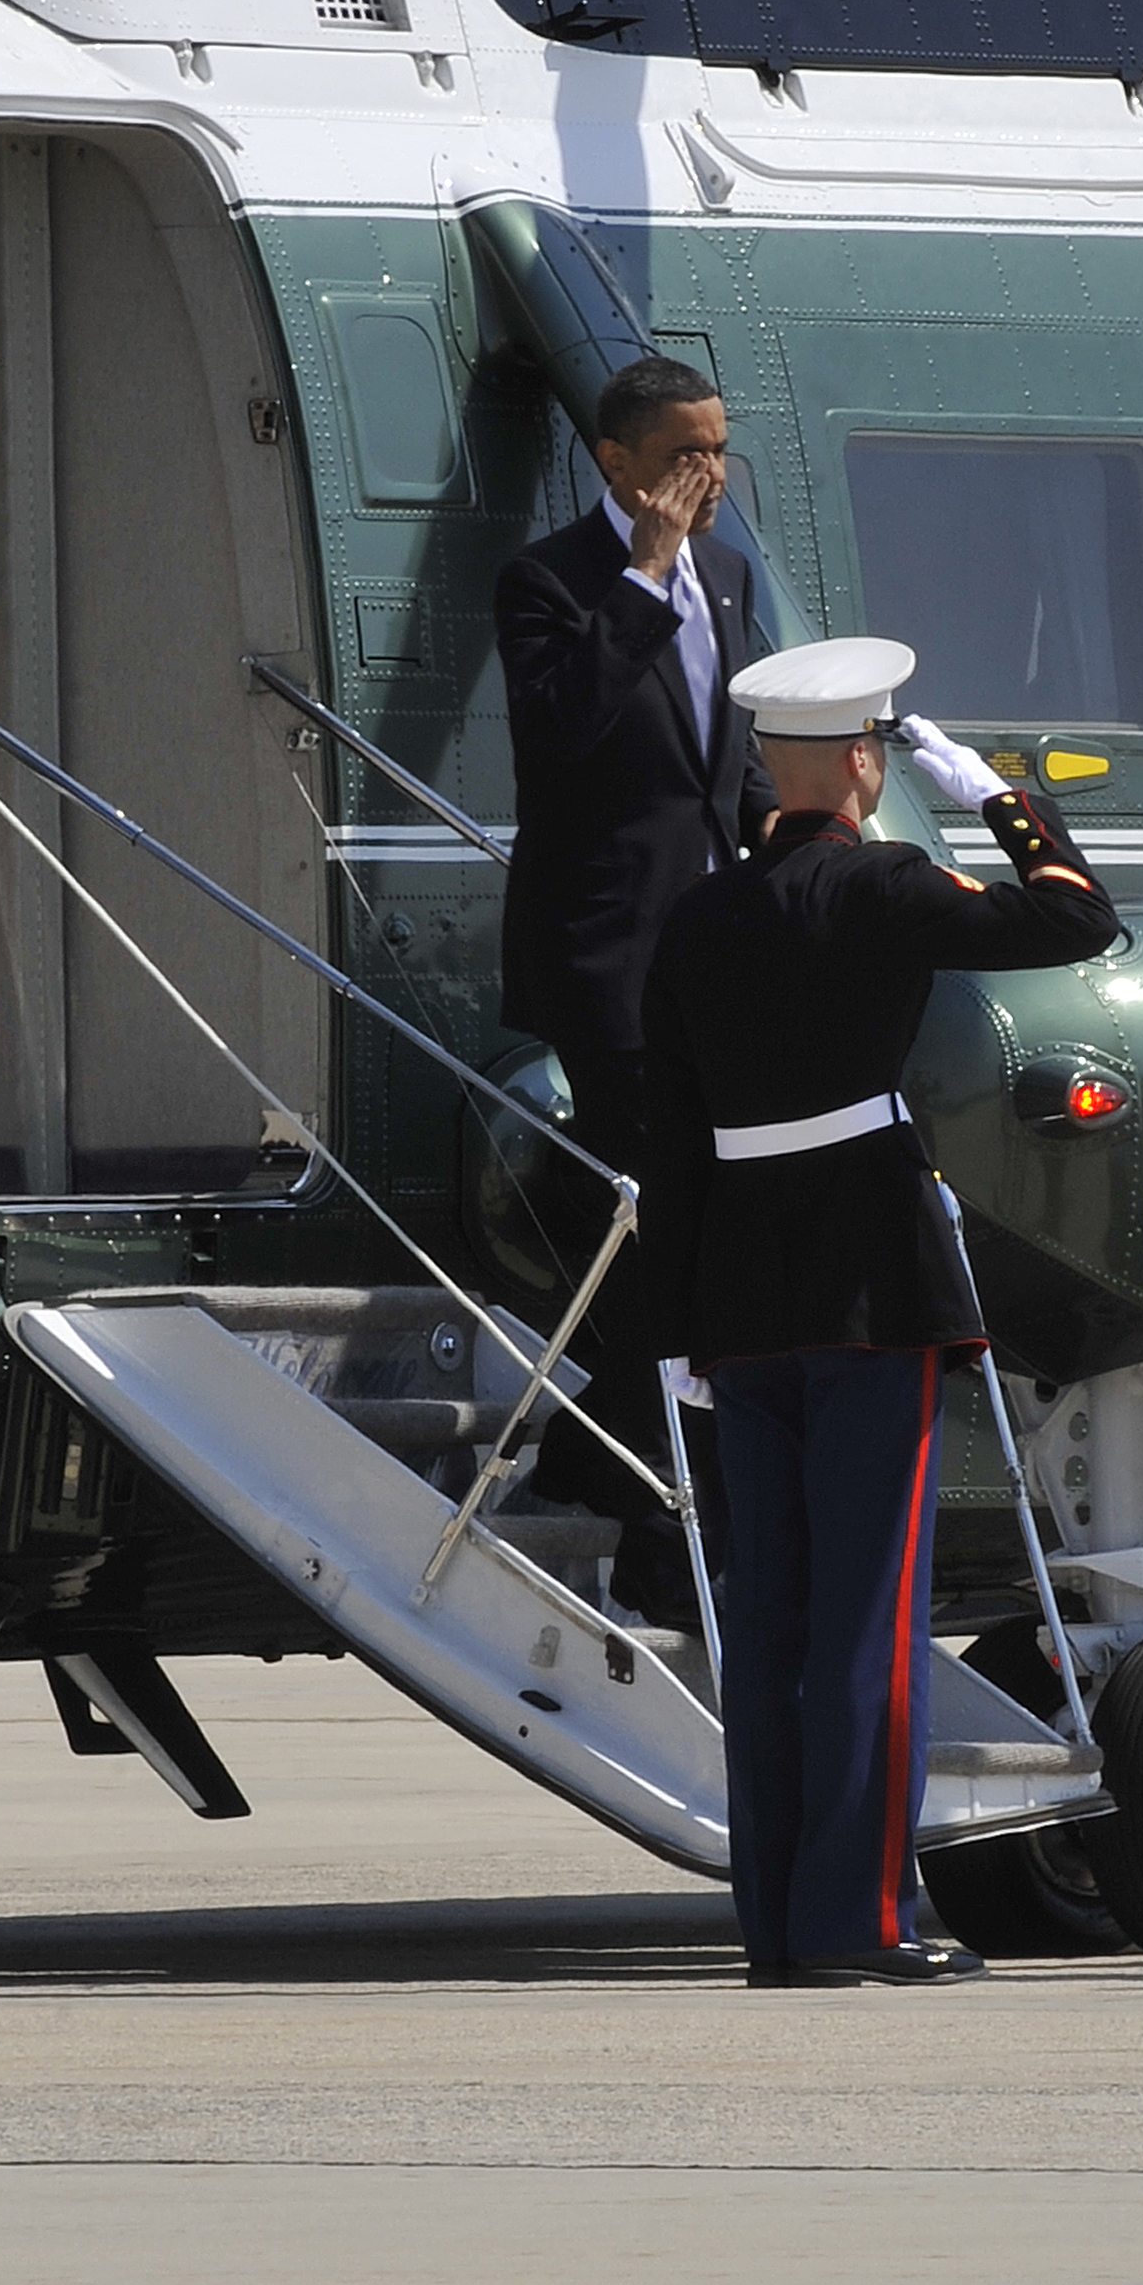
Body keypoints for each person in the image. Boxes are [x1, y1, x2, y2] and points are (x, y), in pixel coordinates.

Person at [642, 637, 1119, 1985]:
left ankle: (779, 1927)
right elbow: (1078, 920)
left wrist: (676, 1331)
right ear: (864, 764)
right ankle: (862, 1918)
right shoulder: (883, 883)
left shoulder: (697, 918)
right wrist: (1006, 799)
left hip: (738, 1303)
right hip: (866, 1285)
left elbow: (668, 1145)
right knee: (868, 1621)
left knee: (773, 1621)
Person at [493, 354, 774, 1582]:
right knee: (662, 1207)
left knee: (703, 1214)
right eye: (683, 457)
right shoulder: (553, 579)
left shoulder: (731, 572)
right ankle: (650, 1487)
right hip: (608, 952)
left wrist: (795, 841)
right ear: (618, 464)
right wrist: (644, 573)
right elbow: (561, 732)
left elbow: (738, 756)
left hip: (719, 951)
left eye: (719, 450)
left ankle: (593, 1453)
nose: (707, 478)